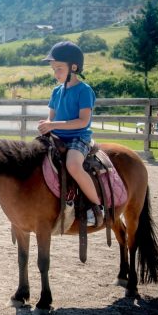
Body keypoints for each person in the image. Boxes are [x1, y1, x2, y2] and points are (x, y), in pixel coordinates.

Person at [37, 41, 102, 227]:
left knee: (73, 165)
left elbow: (83, 121)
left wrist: (52, 124)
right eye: (53, 69)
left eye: (59, 68)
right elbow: (52, 118)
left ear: (73, 67)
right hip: (57, 136)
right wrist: (46, 125)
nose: (55, 73)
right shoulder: (56, 91)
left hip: (78, 137)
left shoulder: (84, 91)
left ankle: (97, 207)